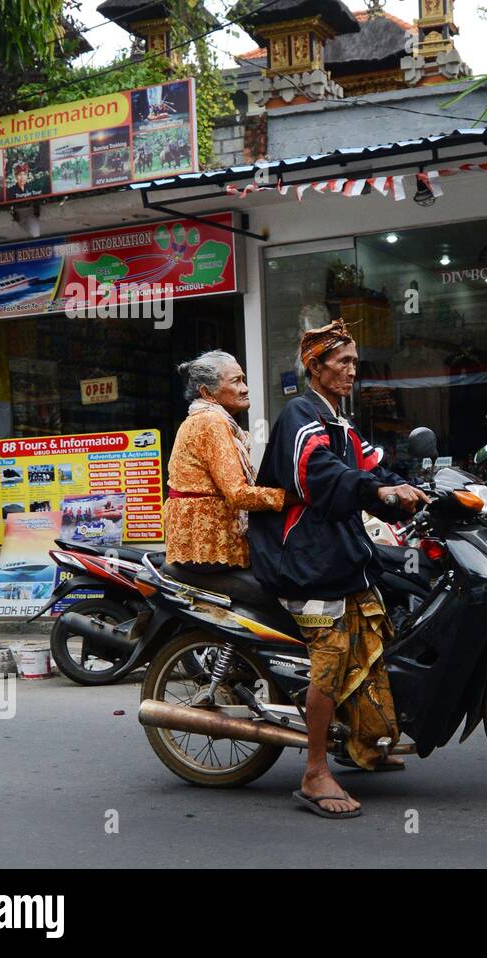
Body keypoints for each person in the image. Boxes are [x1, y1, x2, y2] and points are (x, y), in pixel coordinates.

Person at [249, 321, 430, 819]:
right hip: (303, 559)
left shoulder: (340, 423)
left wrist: (416, 492)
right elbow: (319, 476)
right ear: (315, 366)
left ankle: (366, 737)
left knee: (372, 635)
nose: (352, 370)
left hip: (338, 555)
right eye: (342, 362)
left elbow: (371, 468)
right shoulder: (299, 416)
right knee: (331, 655)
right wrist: (377, 493)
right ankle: (313, 772)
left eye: (354, 362)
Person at [165, 351, 285, 570]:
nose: (245, 388)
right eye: (236, 381)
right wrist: (288, 498)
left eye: (244, 379)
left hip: (199, 543)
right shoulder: (211, 421)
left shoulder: (209, 420)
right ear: (207, 393)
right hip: (207, 547)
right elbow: (238, 494)